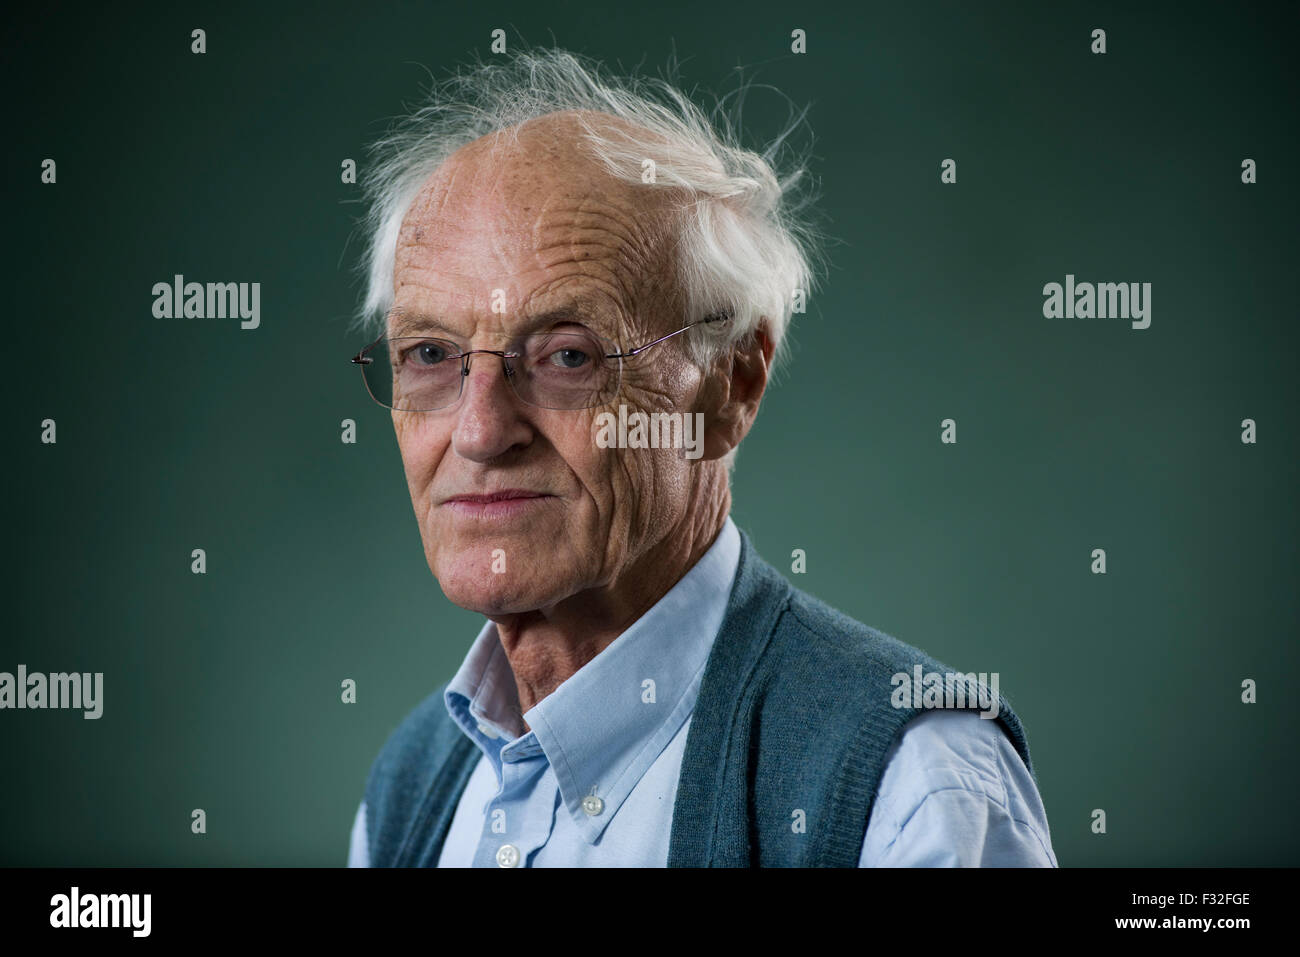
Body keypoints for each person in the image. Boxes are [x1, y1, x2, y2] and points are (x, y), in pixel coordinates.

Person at [346, 47, 1056, 867]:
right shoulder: (411, 787)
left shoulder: (911, 789)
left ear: (731, 383)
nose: (478, 430)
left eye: (567, 356)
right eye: (431, 355)